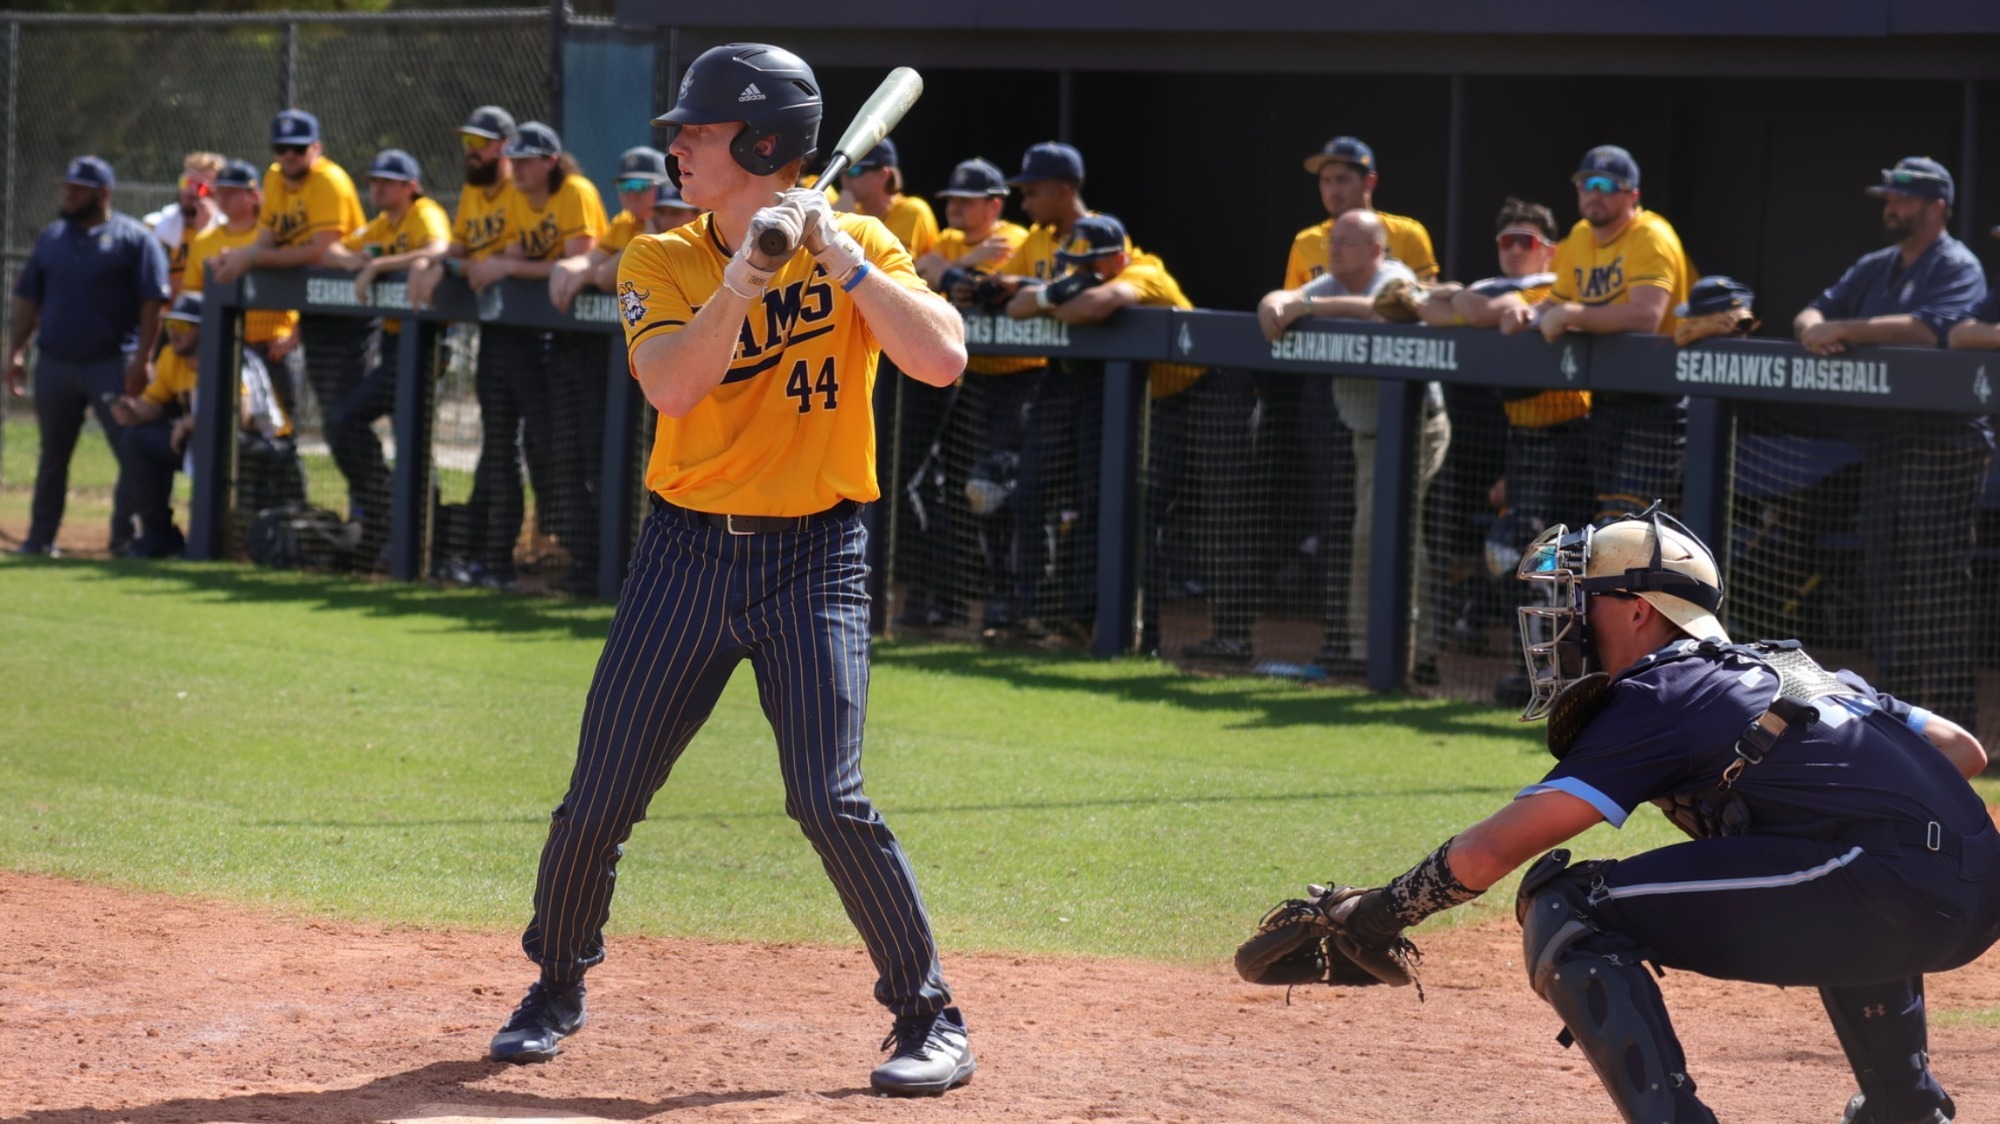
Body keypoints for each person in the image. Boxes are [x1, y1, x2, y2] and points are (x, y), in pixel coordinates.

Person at [487, 43, 974, 1096]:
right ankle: (555, 982)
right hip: (685, 554)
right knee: (598, 797)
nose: (676, 147)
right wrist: (749, 274)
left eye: (697, 133)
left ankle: (929, 1013)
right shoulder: (658, 259)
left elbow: (941, 358)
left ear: (761, 144)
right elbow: (670, 386)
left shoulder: (863, 240)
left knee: (827, 796)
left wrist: (842, 261)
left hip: (818, 557)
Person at [1285, 503, 1998, 1123]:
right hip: (1972, 896)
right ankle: (1905, 1109)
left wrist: (1381, 911)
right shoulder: (1797, 669)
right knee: (1833, 850)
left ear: (1638, 610)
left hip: (1895, 890)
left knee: (1569, 905)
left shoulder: (1662, 691)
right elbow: (1963, 751)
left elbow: (1491, 855)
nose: (1562, 618)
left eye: (1579, 598)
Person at [1796, 156, 1989, 732]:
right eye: (1888, 197)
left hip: (1946, 447)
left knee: (1938, 584)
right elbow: (1817, 307)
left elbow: (1932, 328)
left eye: (1902, 199)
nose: (1890, 207)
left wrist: (1846, 329)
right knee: (1886, 583)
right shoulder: (1876, 265)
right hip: (1883, 447)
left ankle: (1955, 721)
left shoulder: (1957, 264)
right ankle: (1899, 718)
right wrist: (1812, 328)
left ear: (1937, 208)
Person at [1006, 213, 1253, 659]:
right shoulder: (1088, 276)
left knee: (1222, 513)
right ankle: (1144, 637)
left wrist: (1057, 298)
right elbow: (1016, 307)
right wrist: (1058, 291)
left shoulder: (1145, 270)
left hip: (1212, 388)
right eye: (1073, 265)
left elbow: (1092, 307)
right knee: (1140, 514)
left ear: (1118, 258)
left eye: (1091, 266)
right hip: (1164, 402)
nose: (1080, 273)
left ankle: (1233, 636)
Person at [1257, 210, 1450, 677]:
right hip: (1367, 433)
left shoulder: (1394, 275)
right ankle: (1392, 651)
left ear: (1375, 250)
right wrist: (1275, 303)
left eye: (1346, 242)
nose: (1333, 249)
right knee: (1383, 533)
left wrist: (1304, 309)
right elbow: (1283, 298)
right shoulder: (1329, 285)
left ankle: (1392, 652)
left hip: (1416, 428)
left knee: (1382, 530)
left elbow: (1382, 309)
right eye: (1333, 240)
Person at [1427, 199, 1593, 672]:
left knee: (1551, 557)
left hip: (1571, 436)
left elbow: (1498, 309)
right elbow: (1431, 310)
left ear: (1550, 250)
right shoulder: (1491, 287)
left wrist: (1467, 301)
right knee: (1509, 551)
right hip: (1522, 441)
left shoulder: (1559, 285)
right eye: (1507, 241)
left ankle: (1549, 673)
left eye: (1528, 241)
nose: (1516, 250)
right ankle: (1528, 665)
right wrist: (1469, 301)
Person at [208, 109, 372, 535]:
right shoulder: (276, 178)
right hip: (316, 314)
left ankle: (374, 511)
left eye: (299, 149)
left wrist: (253, 258)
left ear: (316, 149)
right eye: (282, 150)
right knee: (334, 424)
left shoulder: (329, 181)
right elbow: (266, 239)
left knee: (344, 422)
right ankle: (359, 513)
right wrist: (247, 255)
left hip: (351, 315)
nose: (289, 157)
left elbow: (322, 251)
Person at [6, 156, 169, 556]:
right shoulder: (52, 237)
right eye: (67, 188)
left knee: (130, 450)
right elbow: (28, 298)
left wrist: (143, 358)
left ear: (103, 194)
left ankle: (127, 538)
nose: (69, 195)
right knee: (52, 456)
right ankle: (40, 538)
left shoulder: (135, 239)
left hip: (112, 363)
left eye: (78, 189)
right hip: (56, 362)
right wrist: (14, 351)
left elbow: (153, 302)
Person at [977, 142, 1105, 639]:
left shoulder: (1104, 233)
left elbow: (1093, 300)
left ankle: (1082, 614)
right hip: (1056, 378)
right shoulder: (1035, 240)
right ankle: (1030, 607)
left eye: (1032, 192)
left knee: (1097, 499)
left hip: (1103, 380)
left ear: (1063, 190)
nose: (1024, 202)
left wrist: (1037, 298)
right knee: (1029, 494)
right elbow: (1017, 300)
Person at [1524, 145, 1691, 520]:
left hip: (1658, 399)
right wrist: (1524, 313)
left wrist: (1569, 314)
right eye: (1586, 183)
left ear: (1633, 196)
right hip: (1606, 399)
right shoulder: (1580, 236)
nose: (1594, 192)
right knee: (1602, 521)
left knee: (1628, 525)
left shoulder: (1651, 235)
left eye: (1606, 185)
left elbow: (1646, 315)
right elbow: (1556, 301)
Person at [908, 157, 1035, 632]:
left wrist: (955, 276)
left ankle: (1009, 601)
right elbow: (924, 270)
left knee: (997, 490)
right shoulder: (949, 241)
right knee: (943, 487)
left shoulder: (1013, 241)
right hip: (974, 380)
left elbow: (978, 290)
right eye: (952, 199)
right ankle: (952, 599)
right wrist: (955, 268)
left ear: (995, 204)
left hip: (1021, 379)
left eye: (966, 200)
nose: (955, 207)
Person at [481, 121, 607, 594]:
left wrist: (508, 266)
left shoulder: (575, 190)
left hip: (589, 345)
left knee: (592, 454)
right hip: (547, 341)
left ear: (550, 161)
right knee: (548, 450)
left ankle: (603, 563)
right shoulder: (516, 194)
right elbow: (515, 253)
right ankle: (577, 557)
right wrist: (504, 264)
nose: (518, 168)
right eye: (514, 160)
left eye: (528, 160)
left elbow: (576, 257)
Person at [406, 105, 529, 588]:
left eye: (479, 143)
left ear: (503, 146)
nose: (470, 151)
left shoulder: (521, 187)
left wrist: (457, 264)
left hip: (535, 336)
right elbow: (460, 250)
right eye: (467, 143)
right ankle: (490, 559)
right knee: (497, 448)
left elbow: (517, 253)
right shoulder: (474, 191)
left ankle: (512, 560)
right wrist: (435, 264)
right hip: (496, 336)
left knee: (525, 450)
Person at [316, 148, 453, 562]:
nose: (376, 187)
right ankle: (410, 528)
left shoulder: (423, 211)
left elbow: (440, 246)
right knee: (405, 438)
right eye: (373, 180)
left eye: (387, 182)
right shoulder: (382, 222)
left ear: (410, 187)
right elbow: (330, 252)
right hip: (396, 343)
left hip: (428, 344)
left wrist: (379, 265)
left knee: (355, 422)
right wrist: (358, 258)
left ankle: (421, 535)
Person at [107, 291, 296, 558]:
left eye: (182, 326)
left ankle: (212, 540)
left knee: (213, 443)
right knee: (137, 439)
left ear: (206, 329)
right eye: (171, 325)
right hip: (206, 441)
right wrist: (133, 411)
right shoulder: (171, 357)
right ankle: (160, 534)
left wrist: (187, 424)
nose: (173, 333)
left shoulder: (230, 356)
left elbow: (239, 416)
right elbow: (156, 402)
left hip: (263, 447)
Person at [184, 159, 302, 418]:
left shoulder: (272, 237)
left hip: (273, 347)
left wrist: (294, 335)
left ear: (253, 195)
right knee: (228, 421)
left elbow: (302, 288)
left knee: (283, 427)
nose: (223, 198)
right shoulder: (203, 242)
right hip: (225, 344)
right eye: (220, 191)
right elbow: (191, 298)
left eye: (232, 192)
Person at [1285, 136, 1437, 288]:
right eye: (1326, 180)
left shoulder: (1407, 234)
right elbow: (1289, 305)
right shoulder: (1305, 241)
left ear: (1369, 181)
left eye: (1342, 179)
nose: (1333, 191)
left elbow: (1427, 302)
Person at [549, 145, 668, 315]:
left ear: (665, 187)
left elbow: (605, 278)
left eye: (641, 185)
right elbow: (593, 259)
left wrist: (584, 276)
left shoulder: (673, 221)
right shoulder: (624, 220)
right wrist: (565, 266)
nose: (632, 193)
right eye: (624, 185)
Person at [838, 138, 939, 258]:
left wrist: (845, 228)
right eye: (841, 170)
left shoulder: (912, 210)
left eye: (854, 170)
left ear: (883, 175)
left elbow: (893, 267)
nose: (845, 178)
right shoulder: (854, 212)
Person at [144, 152, 222, 297]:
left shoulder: (224, 231)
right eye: (185, 182)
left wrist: (203, 232)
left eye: (200, 186)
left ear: (215, 192)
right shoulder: (154, 226)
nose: (189, 191)